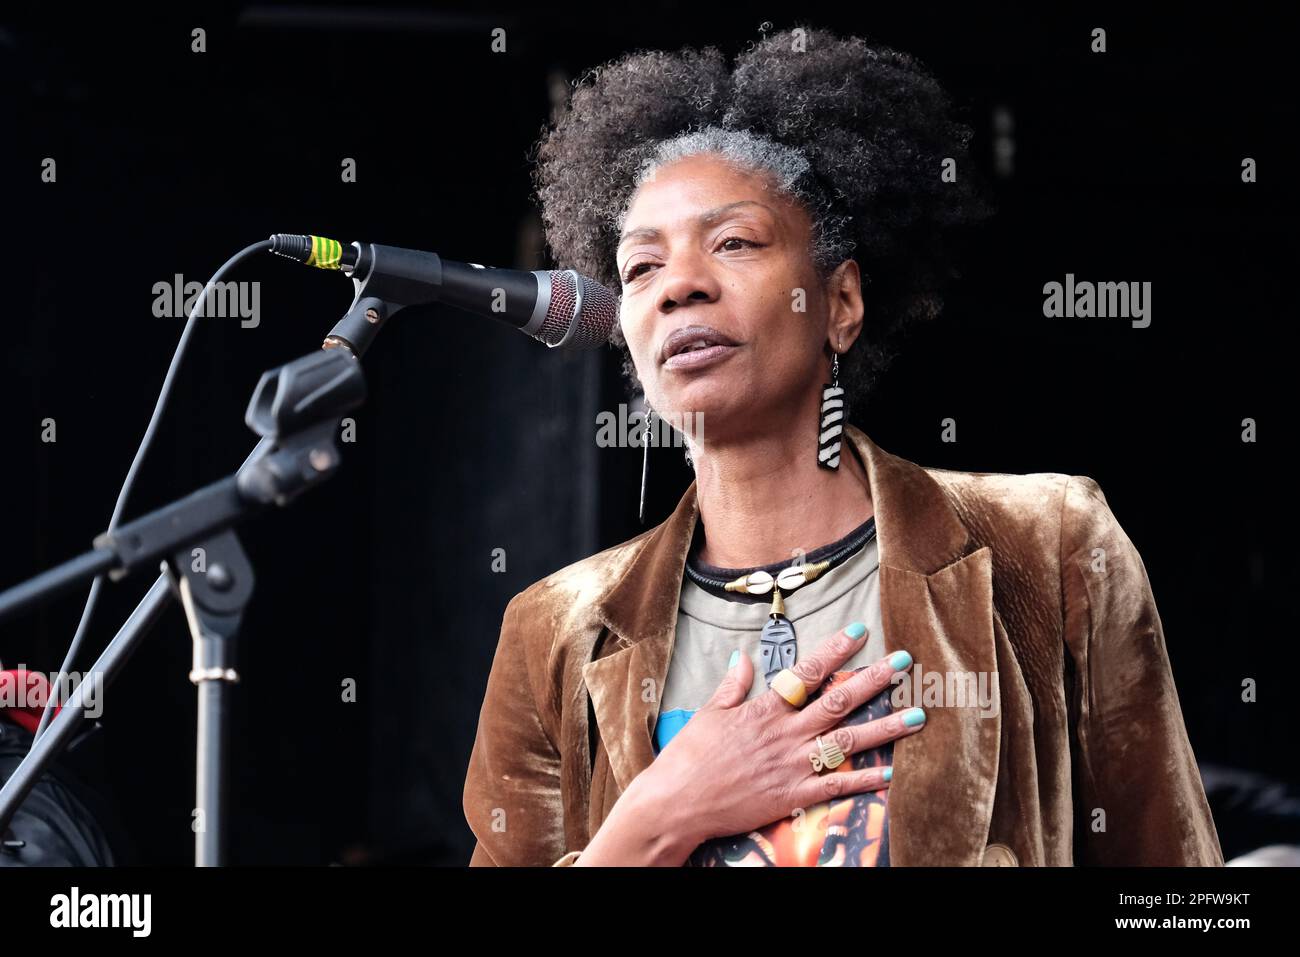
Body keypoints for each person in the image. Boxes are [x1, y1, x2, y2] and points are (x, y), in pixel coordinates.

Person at [461, 26, 1223, 867]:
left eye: (735, 242)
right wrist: (657, 817)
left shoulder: (1049, 546)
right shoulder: (553, 632)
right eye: (640, 268)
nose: (679, 284)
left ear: (841, 302)